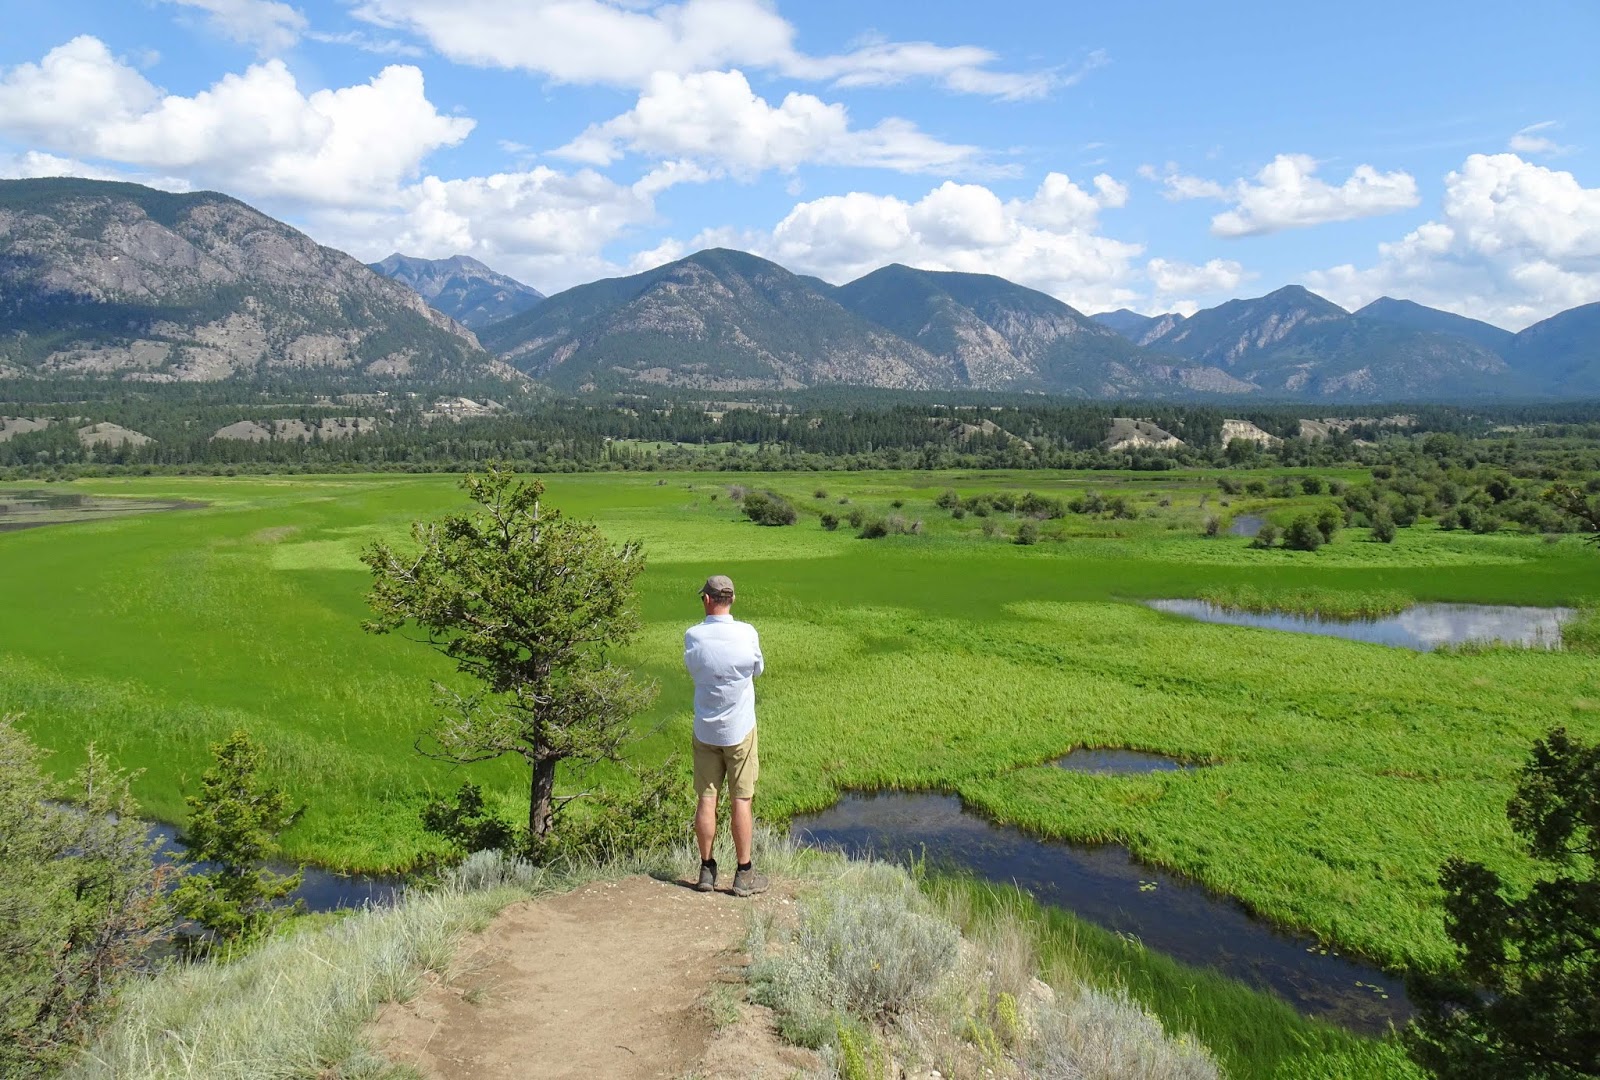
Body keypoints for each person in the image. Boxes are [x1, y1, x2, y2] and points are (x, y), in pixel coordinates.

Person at [684, 574, 767, 896]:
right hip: (739, 729)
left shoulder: (693, 636)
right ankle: (743, 873)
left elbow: (693, 670)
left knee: (707, 798)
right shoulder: (747, 633)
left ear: (707, 599)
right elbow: (757, 669)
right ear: (731, 599)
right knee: (741, 799)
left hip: (705, 728)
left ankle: (706, 870)